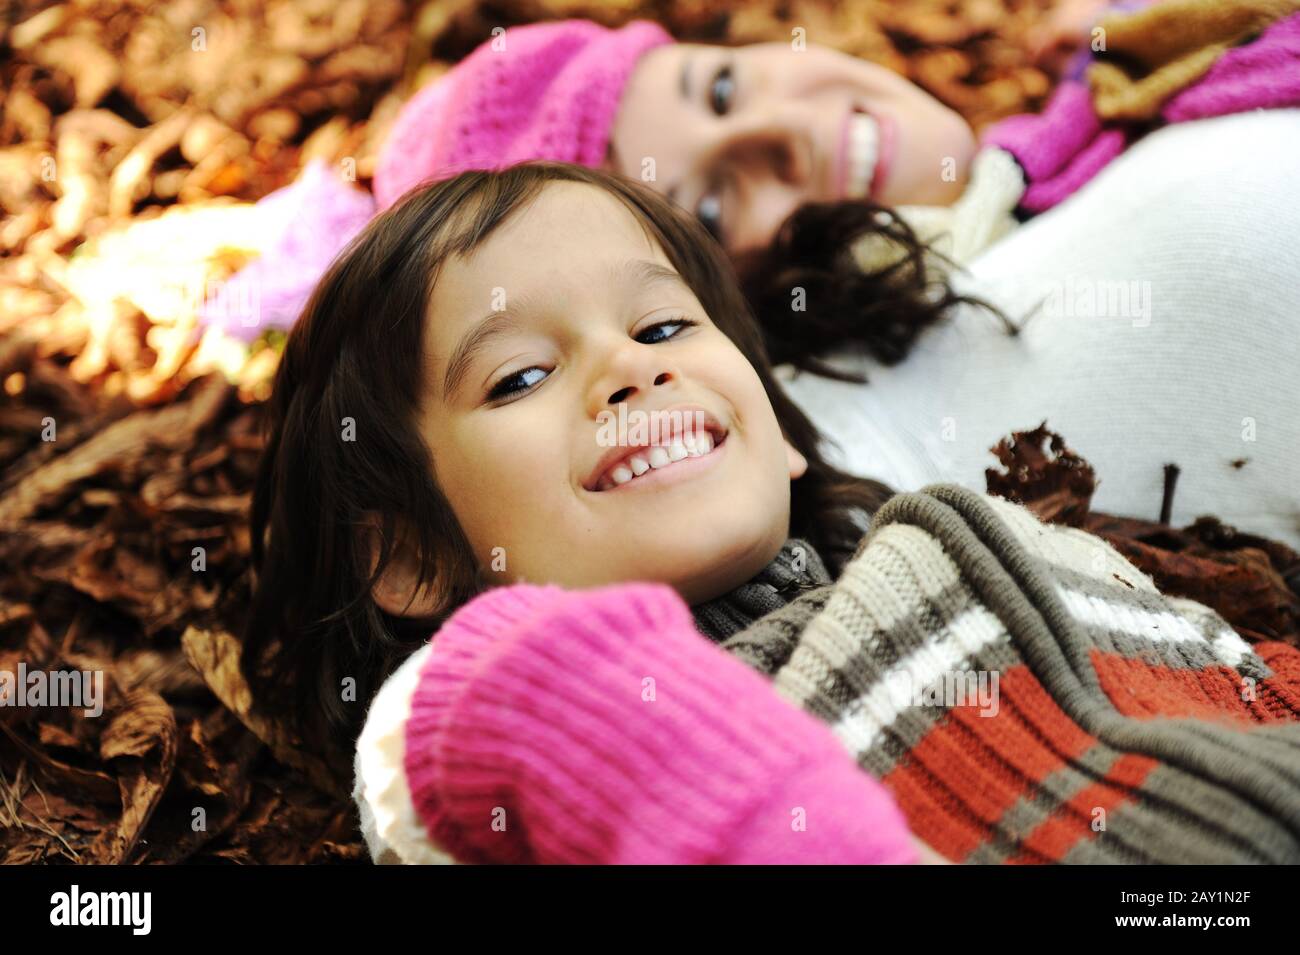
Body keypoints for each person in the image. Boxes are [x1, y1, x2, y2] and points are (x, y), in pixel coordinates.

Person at [244, 162, 1300, 865]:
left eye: (661, 323)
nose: (627, 367)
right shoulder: (500, 699)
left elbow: (1230, 683)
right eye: (518, 377)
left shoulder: (956, 532)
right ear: (415, 556)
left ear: (785, 432)